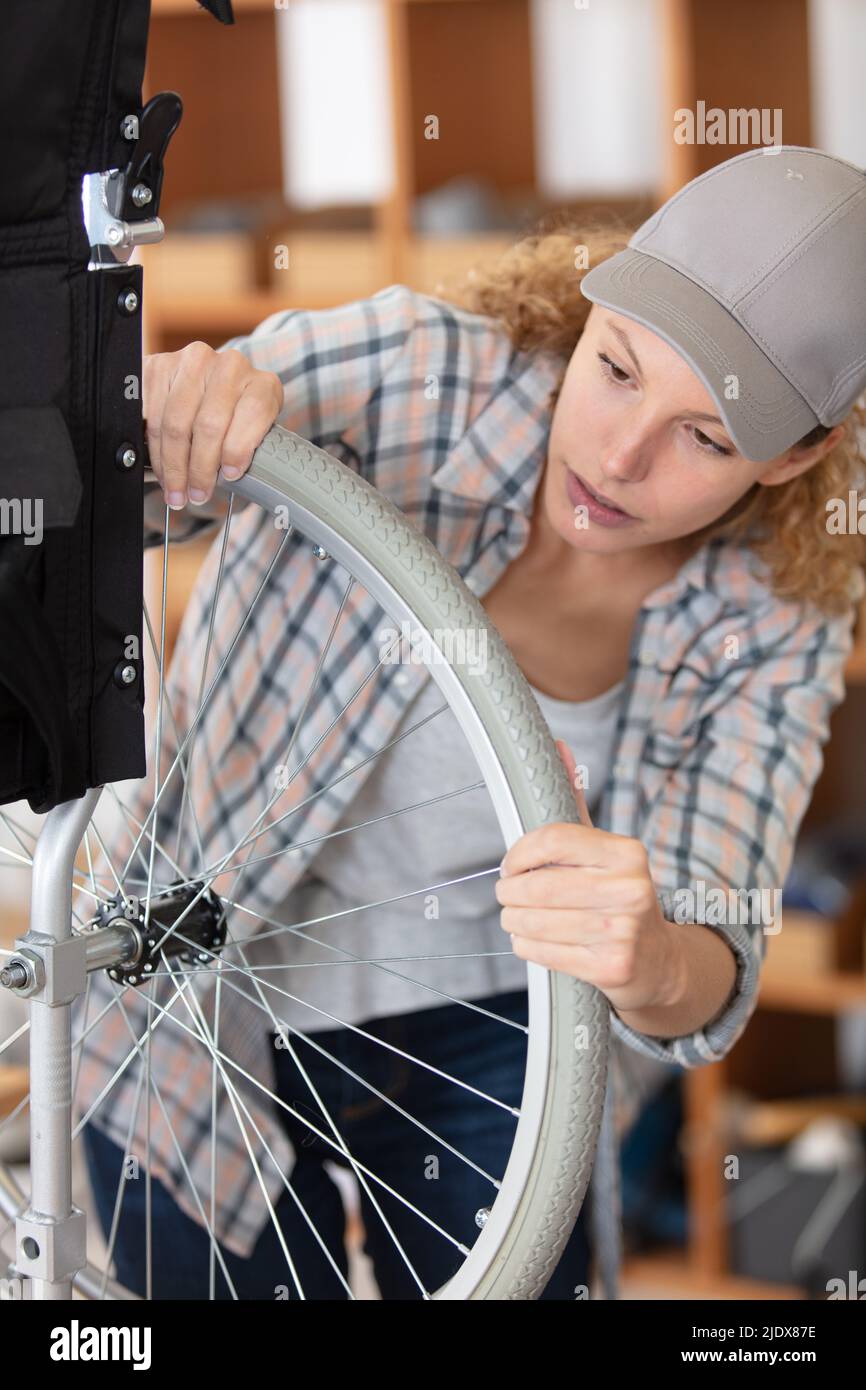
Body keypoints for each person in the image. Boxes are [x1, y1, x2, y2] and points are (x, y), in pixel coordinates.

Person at [77, 145, 866, 1299]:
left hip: (497, 1026)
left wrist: (648, 955)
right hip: (197, 980)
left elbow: (711, 957)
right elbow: (104, 495)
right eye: (616, 367)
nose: (617, 453)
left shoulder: (775, 613)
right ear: (593, 303)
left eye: (705, 438)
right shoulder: (409, 373)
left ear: (797, 457)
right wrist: (173, 420)